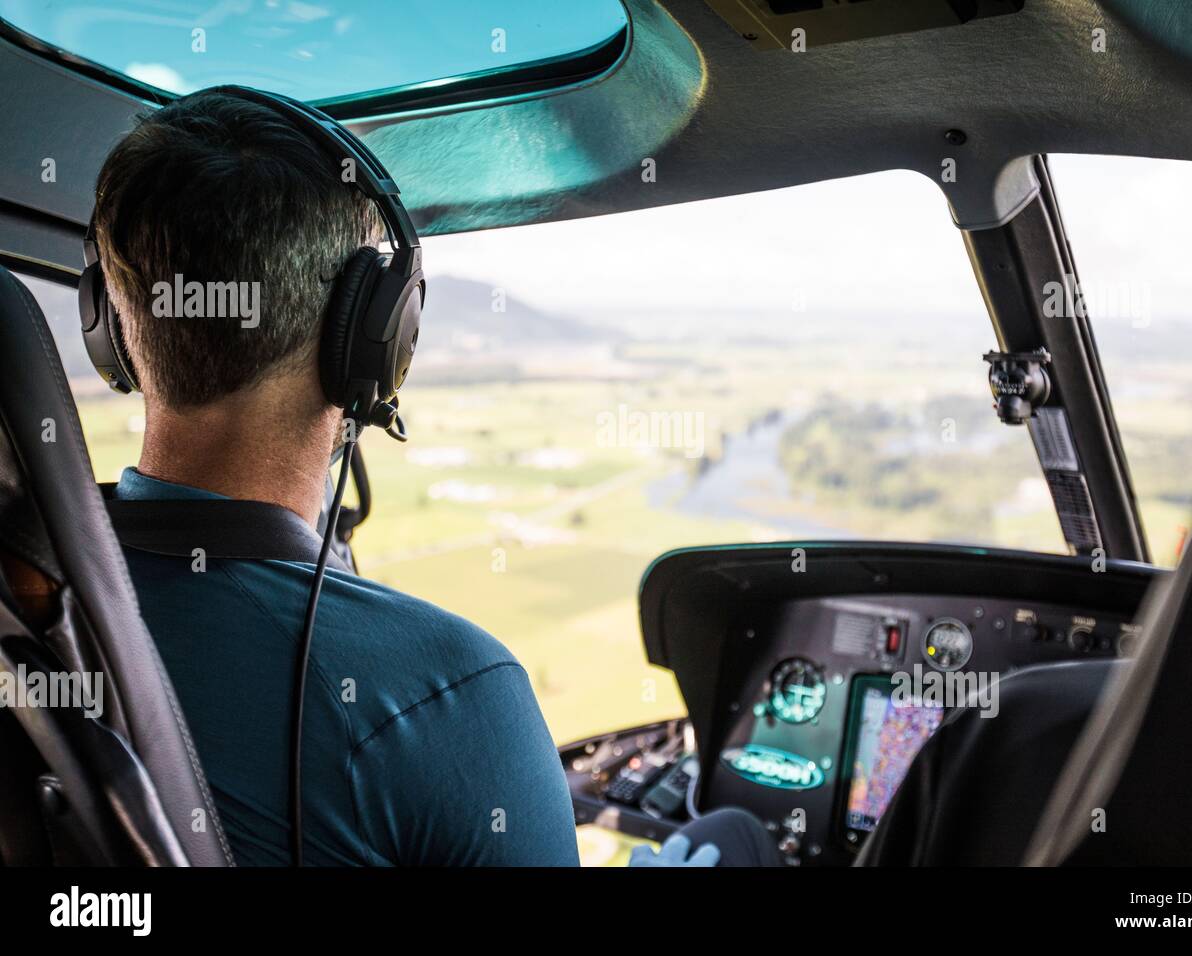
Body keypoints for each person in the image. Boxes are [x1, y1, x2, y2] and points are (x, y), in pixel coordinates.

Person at [91, 88, 772, 867]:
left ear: (112, 327)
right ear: (373, 342)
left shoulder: (35, 600)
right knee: (732, 837)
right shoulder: (445, 692)